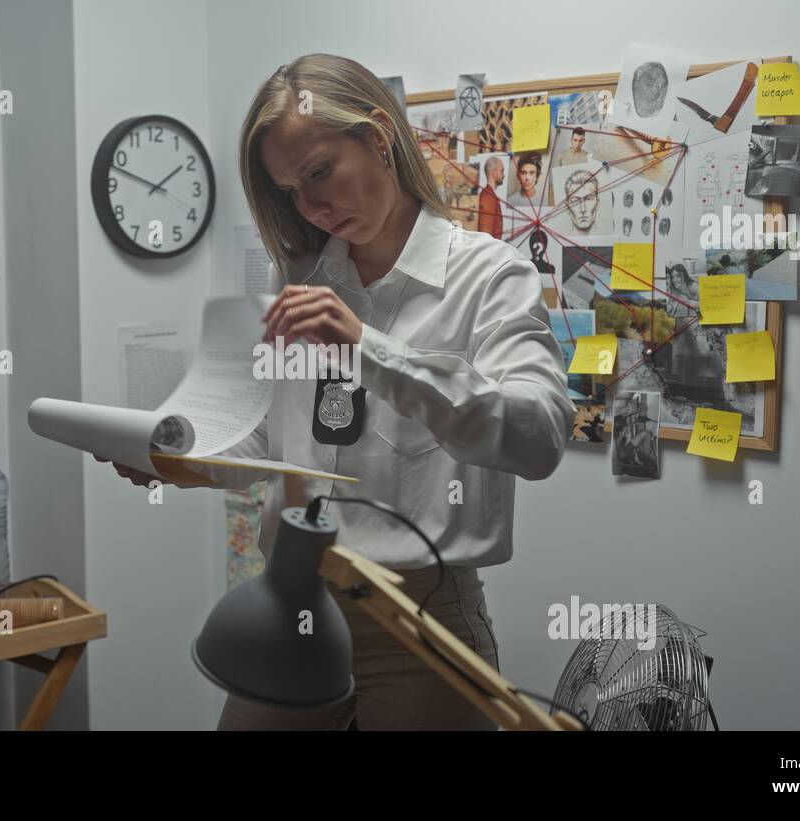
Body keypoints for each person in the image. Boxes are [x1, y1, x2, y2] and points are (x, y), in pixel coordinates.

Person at [95, 53, 574, 731]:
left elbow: (540, 436)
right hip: (289, 597)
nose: (312, 206)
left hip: (422, 617)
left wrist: (369, 350)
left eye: (318, 172)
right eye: (292, 189)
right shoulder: (300, 278)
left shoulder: (490, 276)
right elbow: (266, 442)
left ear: (379, 137)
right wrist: (179, 458)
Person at [476, 155, 504, 239]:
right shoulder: (488, 197)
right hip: (490, 249)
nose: (503, 175)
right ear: (493, 173)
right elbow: (485, 233)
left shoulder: (490, 194)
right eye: (502, 171)